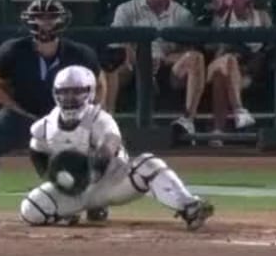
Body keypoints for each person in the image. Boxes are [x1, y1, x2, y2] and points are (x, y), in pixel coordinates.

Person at [0, 0, 102, 222]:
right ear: (30, 20)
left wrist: (89, 115)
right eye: (39, 17)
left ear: (61, 21)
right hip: (22, 113)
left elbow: (99, 83)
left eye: (51, 17)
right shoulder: (13, 50)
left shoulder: (80, 53)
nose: (45, 23)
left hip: (66, 116)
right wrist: (14, 108)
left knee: (97, 142)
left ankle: (94, 202)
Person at [19, 65, 215, 229]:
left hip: (112, 182)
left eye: (76, 91)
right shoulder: (44, 126)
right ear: (56, 94)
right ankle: (71, 212)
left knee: (148, 163)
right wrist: (56, 180)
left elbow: (110, 146)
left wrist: (91, 172)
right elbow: (38, 153)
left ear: (89, 93)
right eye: (64, 92)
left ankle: (188, 206)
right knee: (30, 210)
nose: (70, 97)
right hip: (75, 191)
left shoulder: (100, 119)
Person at [103, 0, 206, 137]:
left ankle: (187, 120)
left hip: (167, 69)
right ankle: (106, 123)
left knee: (195, 58)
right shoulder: (126, 9)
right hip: (132, 66)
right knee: (110, 66)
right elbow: (116, 45)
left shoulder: (183, 15)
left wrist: (163, 59)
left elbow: (186, 49)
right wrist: (142, 60)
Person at [205, 0, 272, 132]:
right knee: (227, 60)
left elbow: (269, 48)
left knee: (221, 77)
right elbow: (210, 46)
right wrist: (218, 17)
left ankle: (217, 131)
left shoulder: (262, 17)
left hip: (247, 71)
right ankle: (239, 110)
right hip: (217, 63)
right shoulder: (221, 16)